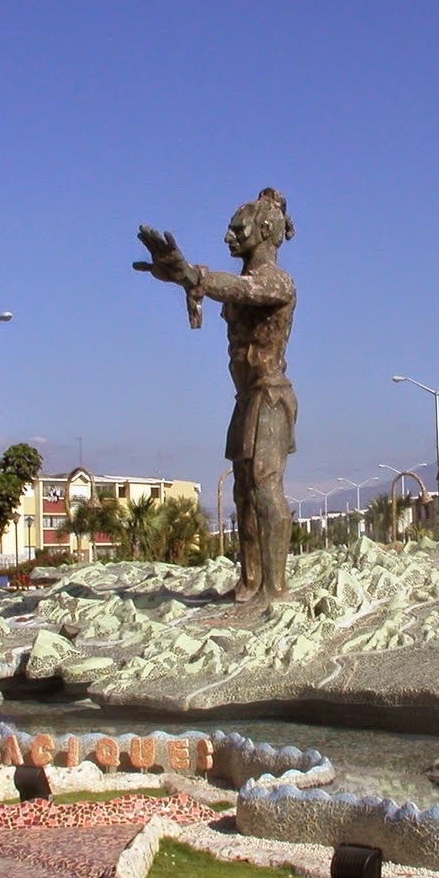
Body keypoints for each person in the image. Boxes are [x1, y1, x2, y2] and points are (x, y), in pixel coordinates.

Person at [135, 189, 297, 603]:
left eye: (236, 228)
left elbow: (242, 291)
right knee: (244, 490)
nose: (228, 237)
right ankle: (249, 583)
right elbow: (226, 296)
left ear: (263, 230)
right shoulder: (243, 282)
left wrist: (194, 276)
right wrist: (185, 282)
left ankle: (273, 589)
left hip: (270, 396)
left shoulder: (276, 281)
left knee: (265, 486)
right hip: (247, 397)